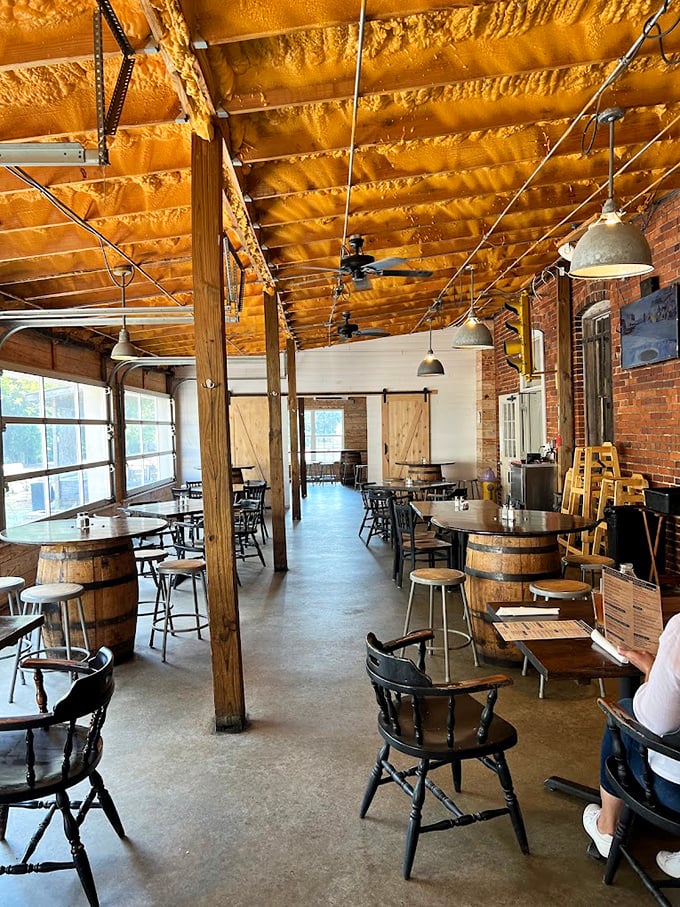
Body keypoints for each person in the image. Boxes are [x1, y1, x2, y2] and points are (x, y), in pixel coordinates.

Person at [583, 612, 680, 876]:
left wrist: (651, 671)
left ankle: (607, 827)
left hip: (674, 793)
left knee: (625, 712)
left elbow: (654, 721)